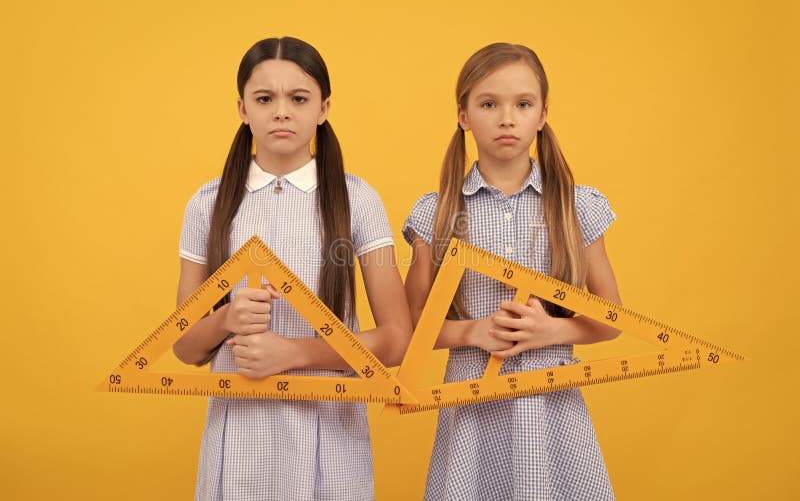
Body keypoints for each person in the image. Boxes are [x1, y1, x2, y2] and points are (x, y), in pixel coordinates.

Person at [172, 36, 412, 501]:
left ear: (323, 107)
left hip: (330, 439)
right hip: (237, 443)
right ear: (242, 108)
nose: (281, 112)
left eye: (298, 98)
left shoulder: (358, 200)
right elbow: (183, 346)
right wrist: (225, 319)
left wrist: (294, 353)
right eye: (265, 98)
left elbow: (396, 339)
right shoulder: (207, 204)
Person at [403, 42, 622, 500]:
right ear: (463, 115)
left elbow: (611, 319)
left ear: (542, 114)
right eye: (488, 104)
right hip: (470, 404)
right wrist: (473, 333)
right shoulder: (436, 215)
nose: (507, 118)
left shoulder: (576, 206)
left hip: (551, 402)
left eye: (523, 104)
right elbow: (411, 329)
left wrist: (551, 331)